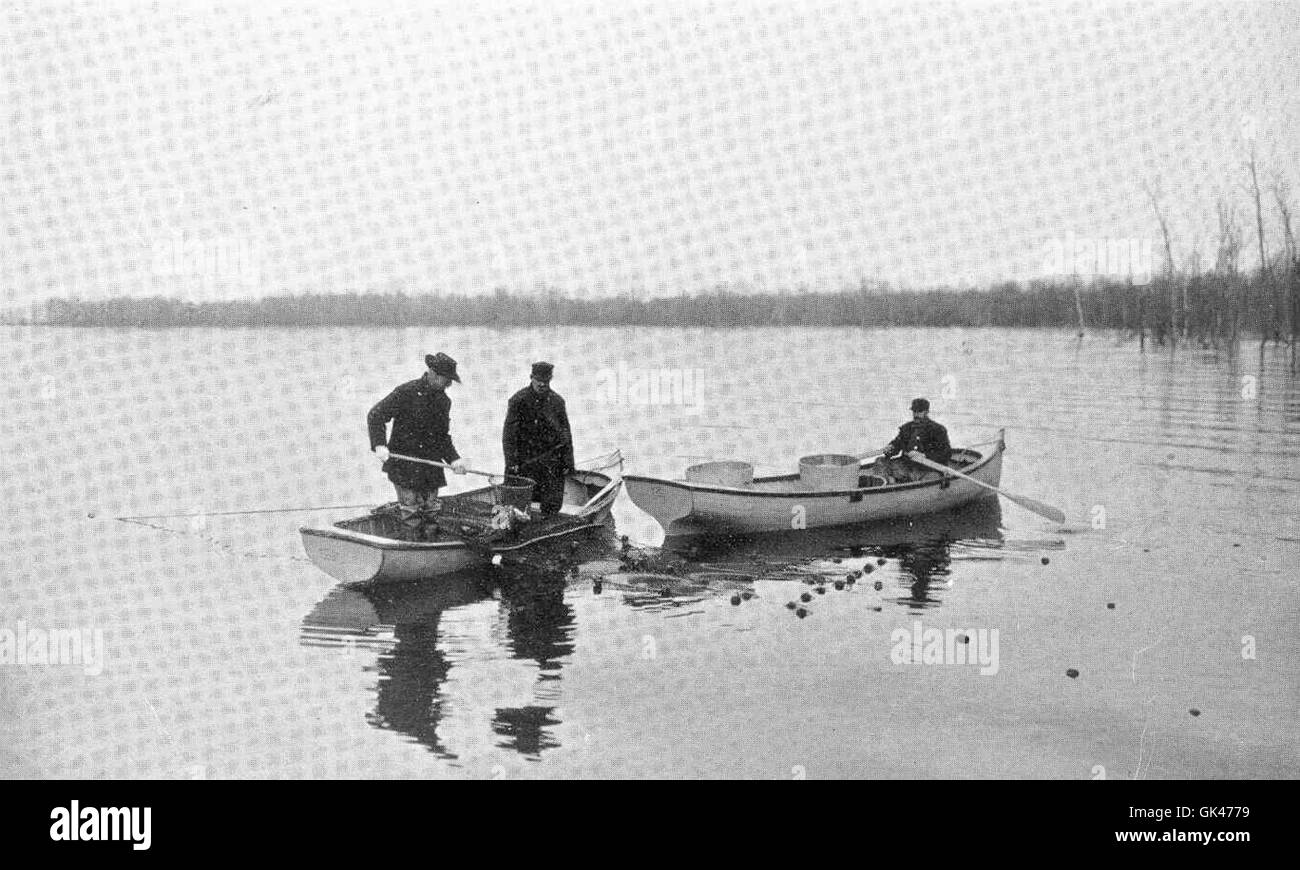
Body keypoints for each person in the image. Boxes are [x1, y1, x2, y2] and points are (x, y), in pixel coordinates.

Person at [368, 352, 468, 538]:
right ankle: (412, 548)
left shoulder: (444, 401)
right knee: (411, 513)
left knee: (431, 512)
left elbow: (442, 437)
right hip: (404, 465)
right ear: (433, 373)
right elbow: (375, 415)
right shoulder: (405, 392)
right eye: (447, 380)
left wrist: (454, 459)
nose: (449, 385)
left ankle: (431, 549)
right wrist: (379, 445)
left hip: (430, 466)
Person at [503, 361, 574, 516]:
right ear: (531, 378)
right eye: (539, 380)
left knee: (552, 504)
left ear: (550, 379)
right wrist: (512, 462)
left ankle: (548, 526)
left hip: (550, 461)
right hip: (524, 460)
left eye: (546, 381)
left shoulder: (557, 402)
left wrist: (568, 462)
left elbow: (565, 434)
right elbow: (509, 435)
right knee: (516, 504)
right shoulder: (518, 400)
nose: (542, 384)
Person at [874, 397, 952, 483]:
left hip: (926, 469)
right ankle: (887, 483)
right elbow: (897, 445)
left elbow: (946, 453)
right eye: (914, 411)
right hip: (906, 465)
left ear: (926, 412)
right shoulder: (906, 428)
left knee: (929, 478)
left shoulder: (938, 429)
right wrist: (890, 448)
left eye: (919, 412)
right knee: (880, 461)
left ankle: (897, 482)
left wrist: (924, 456)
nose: (916, 415)